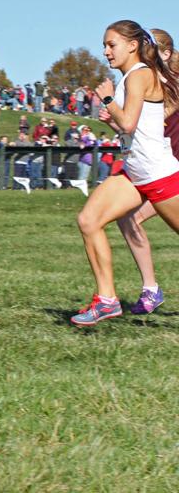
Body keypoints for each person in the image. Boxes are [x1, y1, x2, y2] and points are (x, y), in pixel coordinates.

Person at [71, 21, 179, 326]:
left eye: (111, 44)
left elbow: (129, 123)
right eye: (104, 45)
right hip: (135, 172)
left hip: (160, 176)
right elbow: (130, 129)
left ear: (132, 45)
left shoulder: (141, 74)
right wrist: (112, 121)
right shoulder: (133, 76)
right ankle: (106, 300)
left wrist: (107, 100)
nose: (105, 52)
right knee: (89, 220)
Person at [110, 28, 179, 315]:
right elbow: (131, 127)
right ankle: (150, 288)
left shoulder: (166, 84)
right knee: (127, 219)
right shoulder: (143, 81)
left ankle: (151, 289)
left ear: (163, 54)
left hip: (168, 170)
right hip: (152, 169)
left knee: (131, 219)